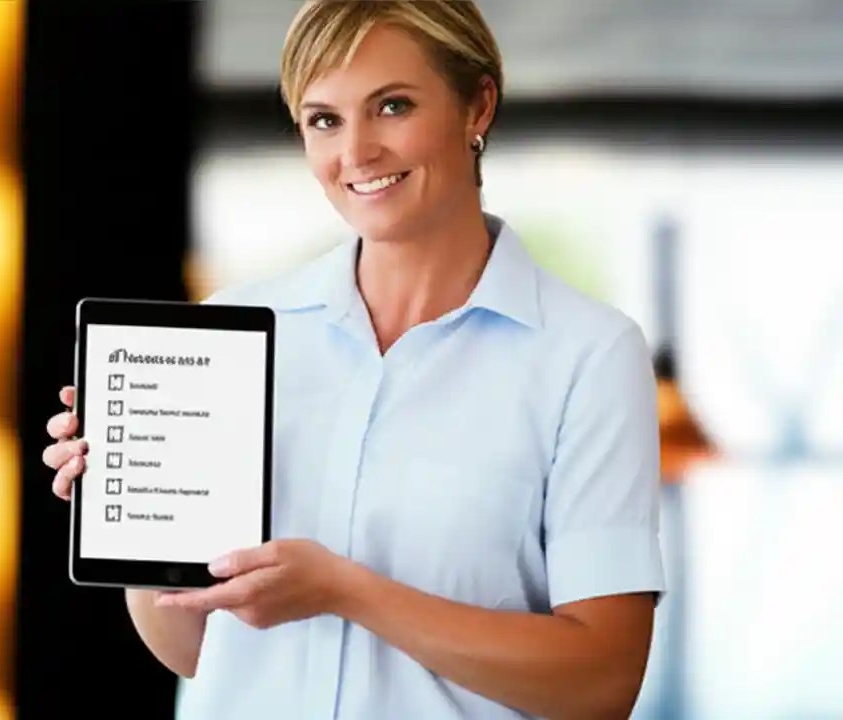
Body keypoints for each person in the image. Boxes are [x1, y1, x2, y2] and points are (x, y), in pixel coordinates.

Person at [42, 2, 665, 718]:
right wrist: (134, 512)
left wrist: (349, 592)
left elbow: (601, 683)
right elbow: (200, 652)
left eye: (392, 106)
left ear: (478, 106)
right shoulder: (235, 329)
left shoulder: (587, 357)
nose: (357, 151)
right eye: (324, 120)